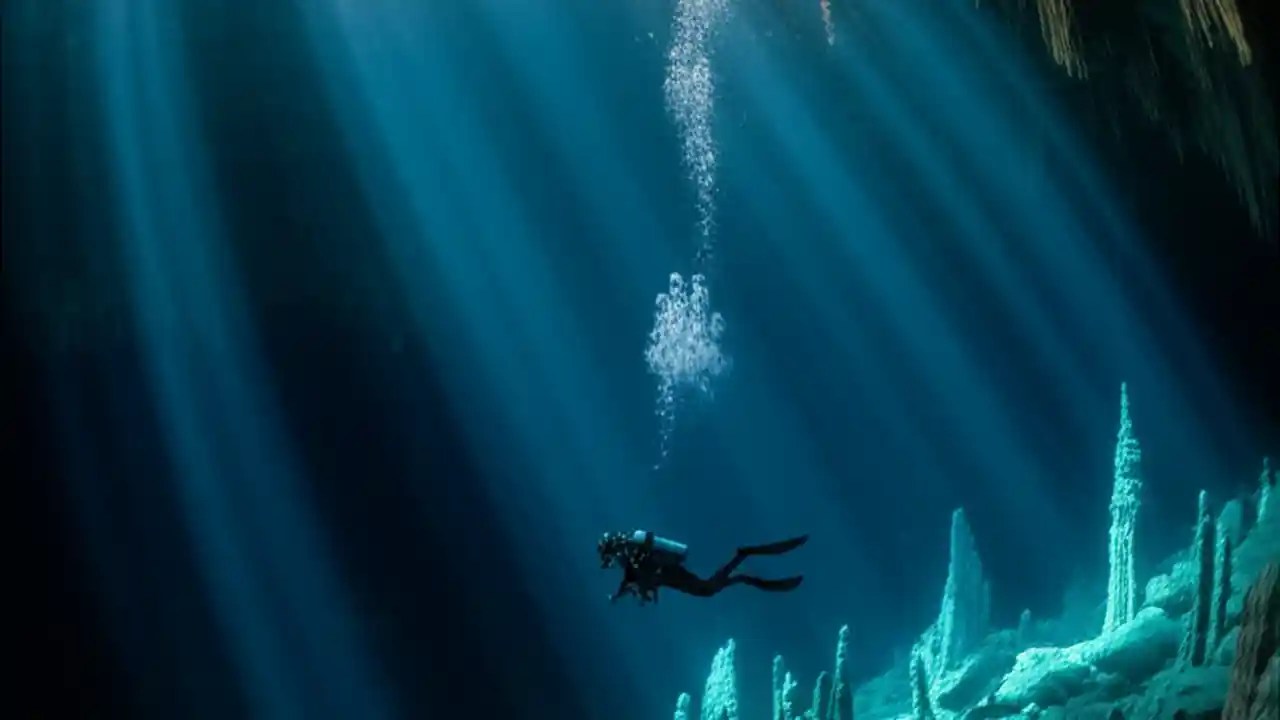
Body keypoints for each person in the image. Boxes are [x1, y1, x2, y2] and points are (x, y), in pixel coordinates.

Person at [598, 529, 807, 604]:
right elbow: (628, 585)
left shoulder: (635, 565)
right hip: (685, 578)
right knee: (720, 583)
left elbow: (630, 583)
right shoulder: (635, 564)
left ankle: (745, 557)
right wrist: (617, 596)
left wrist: (619, 596)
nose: (614, 564)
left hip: (691, 583)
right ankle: (747, 570)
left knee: (710, 588)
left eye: (612, 560)